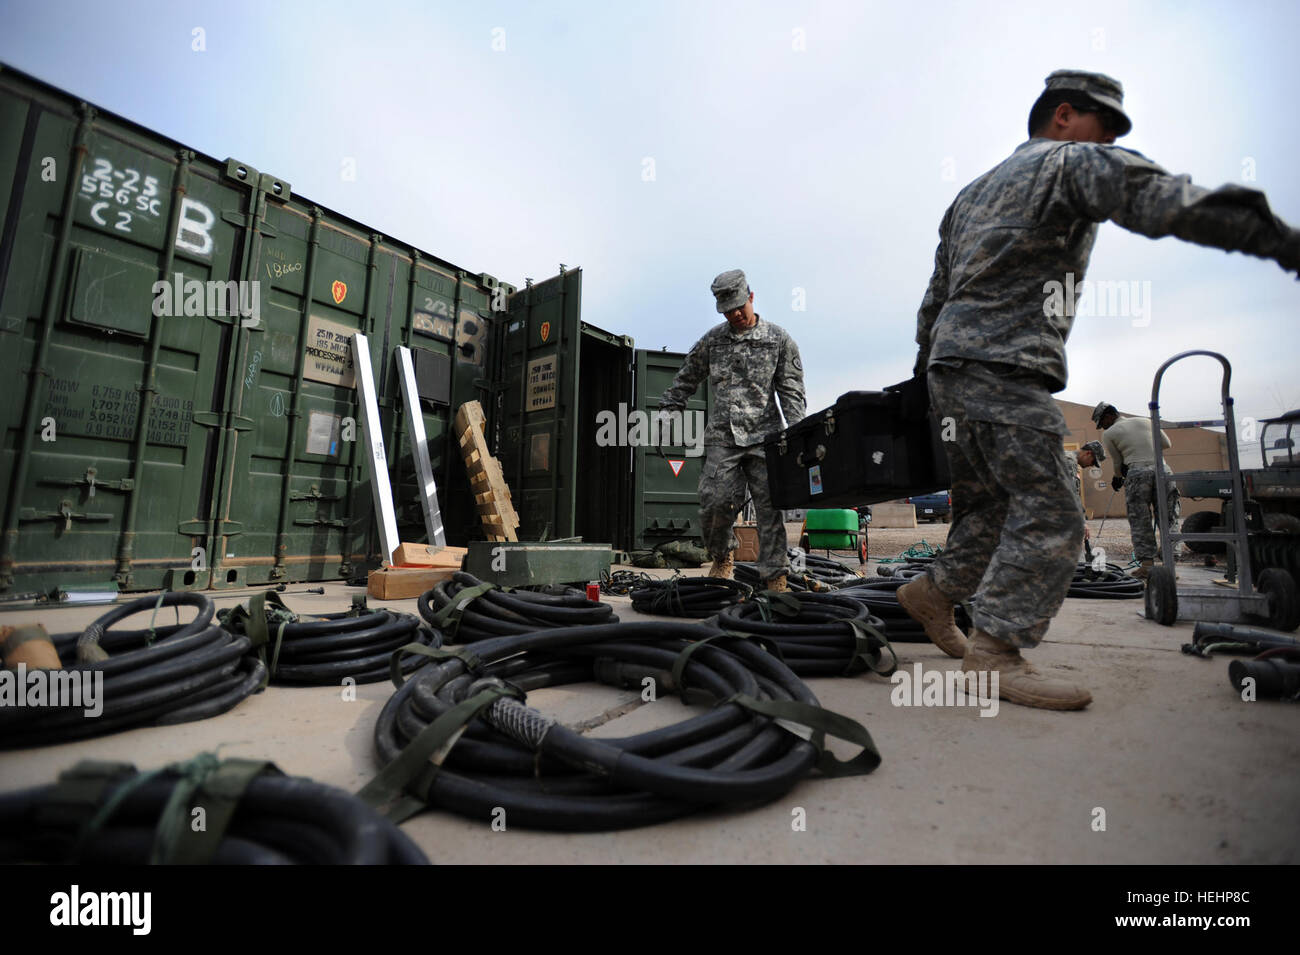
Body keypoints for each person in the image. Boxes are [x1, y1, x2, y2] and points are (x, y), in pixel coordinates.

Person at [896, 69, 1300, 711]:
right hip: (1005, 367)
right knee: (1055, 510)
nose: (1110, 139)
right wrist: (1282, 242)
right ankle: (995, 652)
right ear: (1063, 115)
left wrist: (928, 378)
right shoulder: (1071, 163)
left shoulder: (970, 194)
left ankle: (934, 594)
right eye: (1105, 125)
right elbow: (1167, 201)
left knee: (987, 509)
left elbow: (933, 300)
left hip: (951, 369)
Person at [660, 270, 806, 591]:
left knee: (771, 509)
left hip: (765, 438)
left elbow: (792, 392)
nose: (735, 315)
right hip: (723, 439)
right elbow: (686, 377)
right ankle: (722, 557)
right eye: (728, 311)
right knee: (715, 502)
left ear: (751, 297)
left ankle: (775, 575)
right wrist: (669, 410)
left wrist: (796, 437)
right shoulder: (713, 341)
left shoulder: (778, 340)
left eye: (739, 306)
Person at [1093, 402, 1181, 579]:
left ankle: (1147, 566)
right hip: (1163, 470)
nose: (1103, 427)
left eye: (1102, 423)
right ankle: (1170, 566)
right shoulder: (1146, 421)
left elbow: (1118, 462)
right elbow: (1166, 444)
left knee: (1140, 519)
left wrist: (1118, 477)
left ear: (1109, 416)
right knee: (1169, 517)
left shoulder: (1109, 434)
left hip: (1138, 472)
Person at [1065, 439, 1106, 547]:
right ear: (1088, 453)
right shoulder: (1069, 462)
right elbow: (1070, 494)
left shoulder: (1066, 457)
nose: (1091, 466)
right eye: (1093, 462)